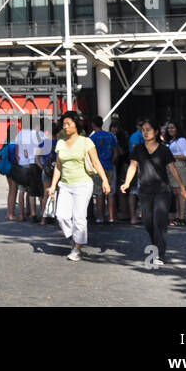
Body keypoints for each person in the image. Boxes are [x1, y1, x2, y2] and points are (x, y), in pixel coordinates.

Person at [120, 118, 186, 268]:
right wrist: (127, 182)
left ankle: (160, 253)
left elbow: (172, 169)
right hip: (145, 190)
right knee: (148, 222)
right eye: (143, 130)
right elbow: (132, 166)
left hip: (162, 190)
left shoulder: (164, 149)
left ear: (156, 132)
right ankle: (155, 244)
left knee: (160, 222)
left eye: (148, 129)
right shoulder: (138, 149)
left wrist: (181, 187)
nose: (145, 132)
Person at [45, 111, 110, 261]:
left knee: (79, 217)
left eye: (68, 123)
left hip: (83, 184)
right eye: (64, 124)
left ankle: (77, 248)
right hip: (65, 185)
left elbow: (96, 162)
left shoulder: (86, 142)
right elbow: (58, 166)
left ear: (76, 125)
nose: (65, 127)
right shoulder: (60, 143)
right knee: (61, 216)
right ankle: (75, 239)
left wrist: (104, 180)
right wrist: (53, 185)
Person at [13, 119, 48, 222]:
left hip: (25, 163)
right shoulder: (41, 135)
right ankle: (43, 215)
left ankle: (30, 214)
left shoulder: (22, 135)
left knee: (27, 191)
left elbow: (20, 151)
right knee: (41, 191)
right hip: (38, 163)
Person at [89, 116, 117, 225]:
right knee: (110, 192)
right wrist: (112, 161)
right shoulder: (111, 136)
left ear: (93, 124)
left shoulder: (92, 138)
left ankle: (100, 217)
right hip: (109, 165)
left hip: (97, 167)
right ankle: (111, 216)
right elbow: (115, 152)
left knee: (99, 192)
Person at [165, 121, 186, 227]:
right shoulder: (172, 141)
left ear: (177, 128)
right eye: (169, 128)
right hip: (172, 168)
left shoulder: (182, 140)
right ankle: (178, 216)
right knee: (176, 193)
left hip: (180, 168)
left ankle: (182, 218)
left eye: (173, 127)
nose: (170, 130)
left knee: (181, 193)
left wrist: (171, 155)